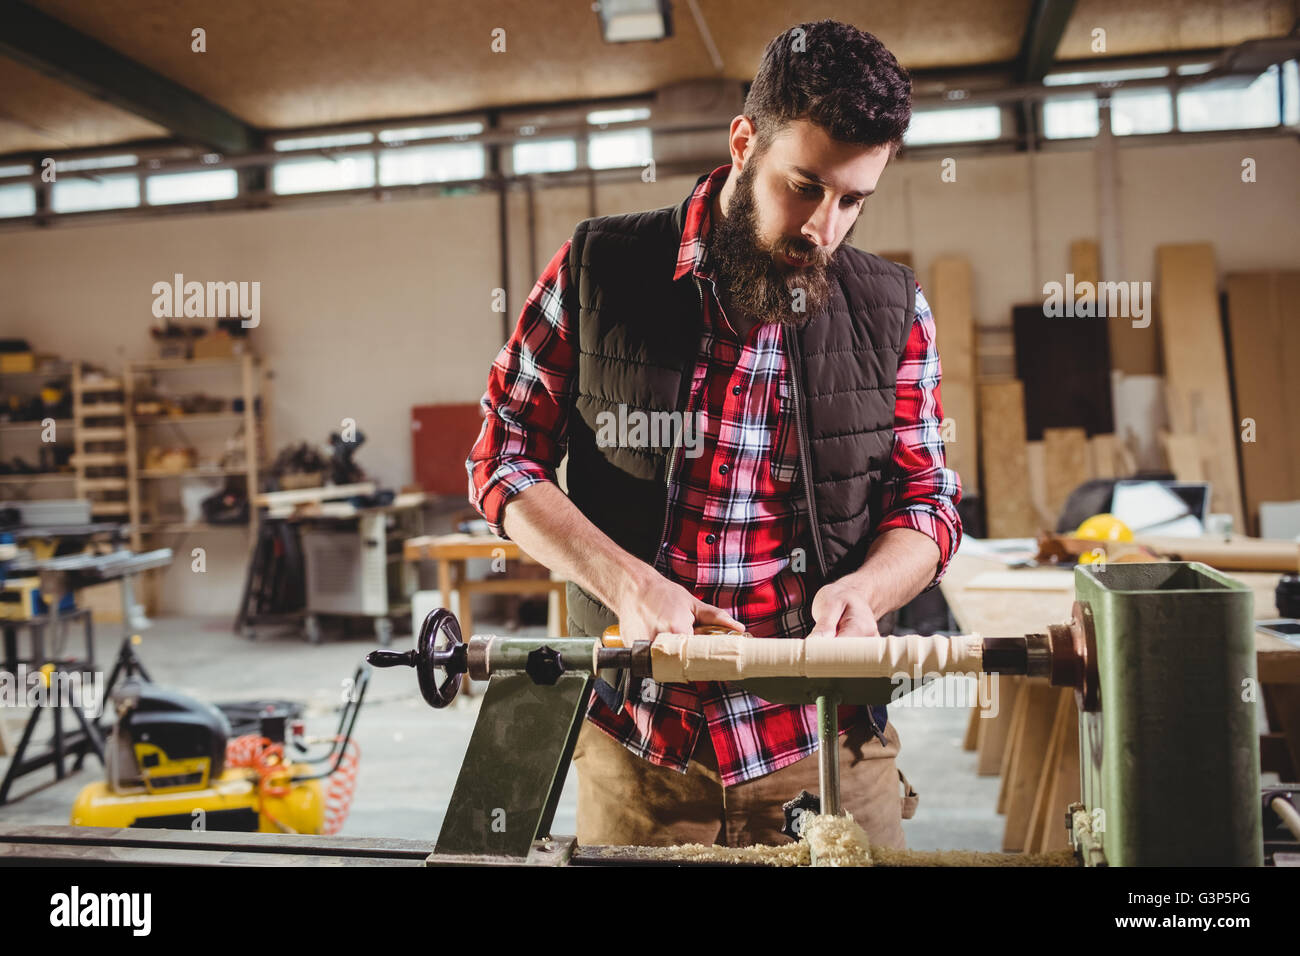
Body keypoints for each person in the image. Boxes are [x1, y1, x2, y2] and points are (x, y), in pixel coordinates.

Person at [467, 18, 962, 850]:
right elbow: (502, 454)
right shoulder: (599, 268)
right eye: (804, 185)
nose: (824, 229)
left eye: (853, 200)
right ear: (744, 142)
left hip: (828, 746)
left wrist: (867, 591)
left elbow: (930, 501)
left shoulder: (893, 307)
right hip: (639, 745)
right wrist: (624, 582)